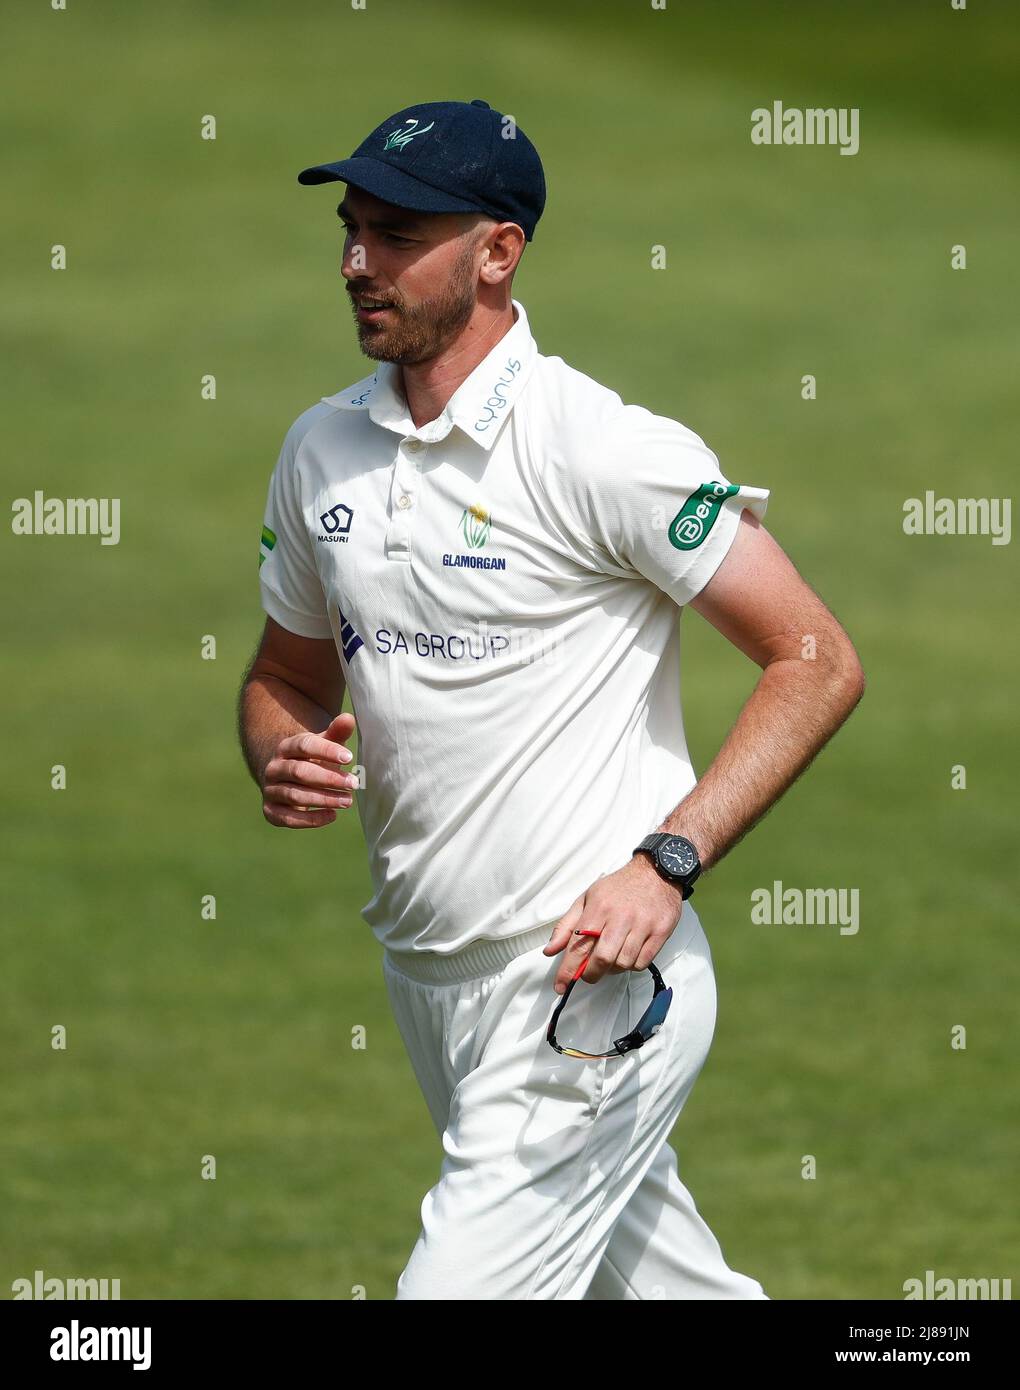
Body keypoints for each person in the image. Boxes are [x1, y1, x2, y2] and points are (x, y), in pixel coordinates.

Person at [238, 99, 865, 1300]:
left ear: (496, 250)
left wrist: (666, 862)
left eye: (398, 232)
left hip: (590, 980)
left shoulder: (599, 447)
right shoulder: (321, 450)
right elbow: (285, 677)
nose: (357, 261)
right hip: (428, 978)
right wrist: (278, 747)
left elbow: (816, 657)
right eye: (351, 227)